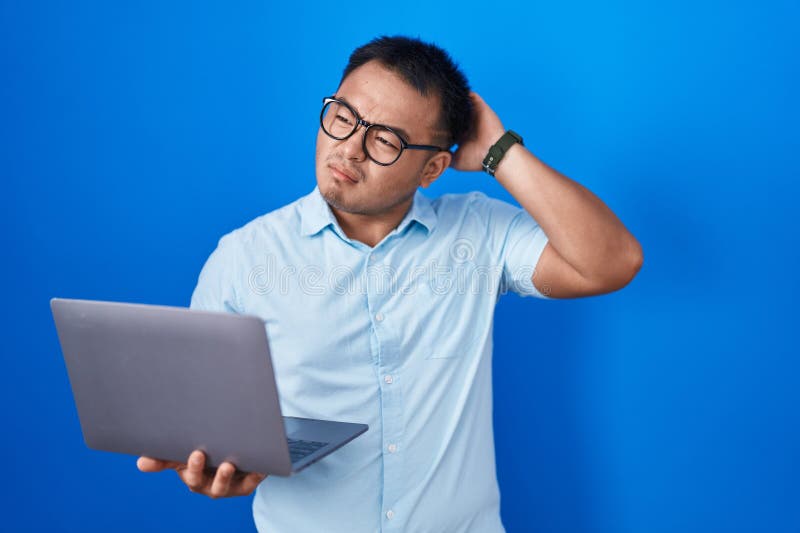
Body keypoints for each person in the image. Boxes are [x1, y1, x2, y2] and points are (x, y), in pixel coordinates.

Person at [137, 35, 643, 532]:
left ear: (433, 168)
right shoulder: (243, 257)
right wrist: (208, 463)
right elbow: (203, 423)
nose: (349, 149)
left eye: (384, 140)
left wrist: (499, 152)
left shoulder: (480, 233)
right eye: (343, 116)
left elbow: (611, 262)